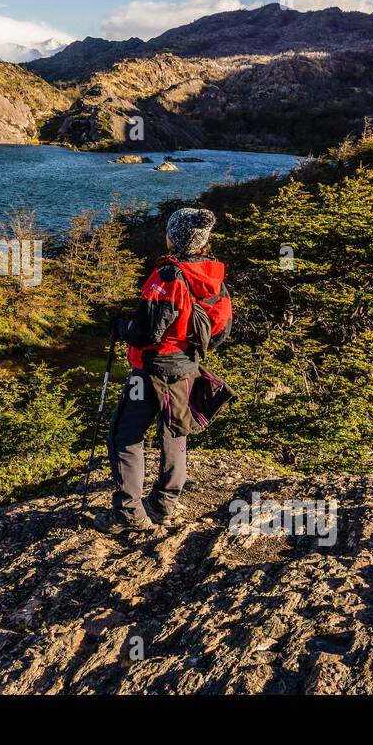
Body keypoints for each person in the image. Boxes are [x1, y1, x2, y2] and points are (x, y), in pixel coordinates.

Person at [95, 207, 232, 534]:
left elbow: (145, 333)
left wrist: (121, 327)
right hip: (186, 370)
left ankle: (130, 513)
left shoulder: (168, 276)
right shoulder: (212, 275)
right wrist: (190, 350)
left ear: (175, 238)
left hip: (151, 370)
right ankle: (164, 506)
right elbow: (222, 328)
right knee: (174, 434)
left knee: (124, 434)